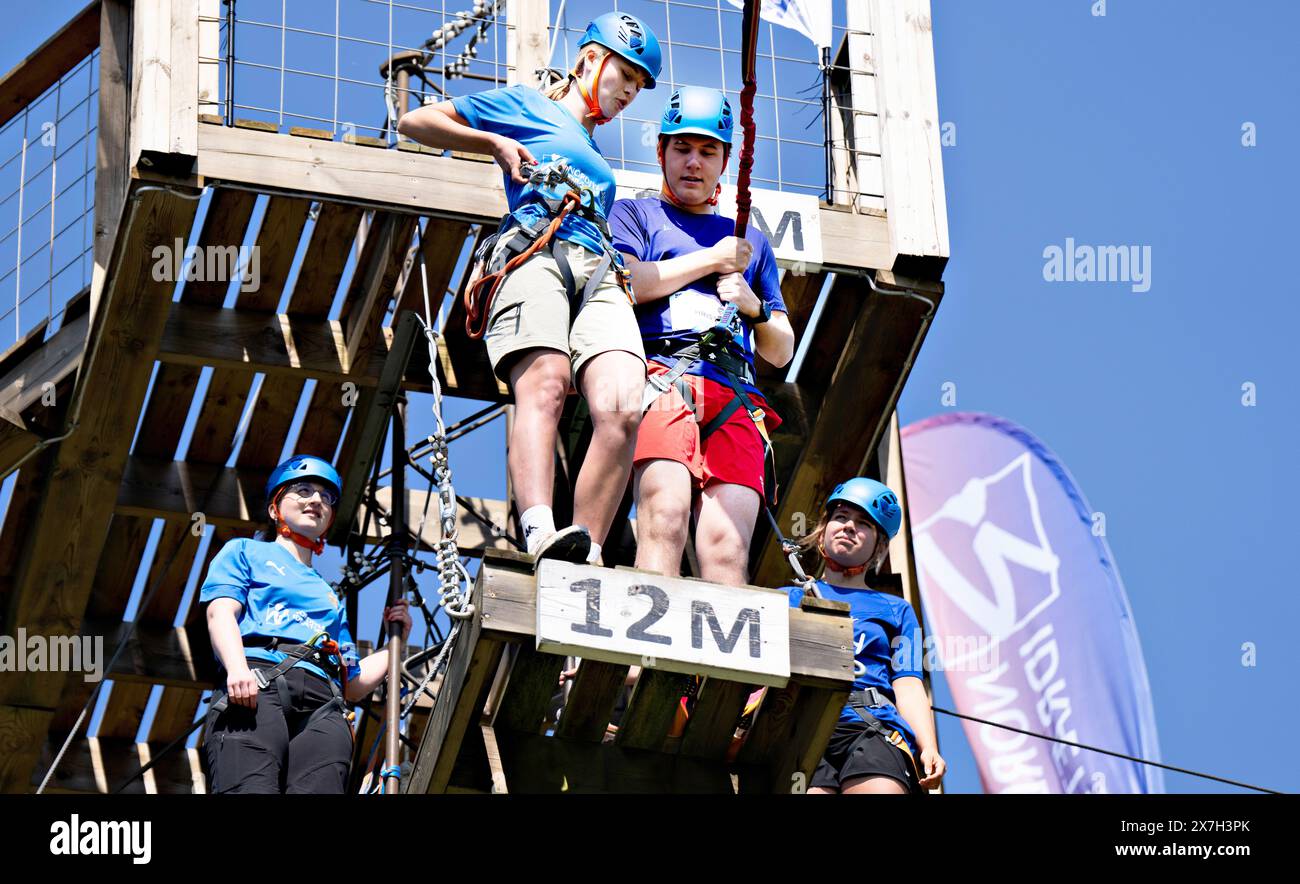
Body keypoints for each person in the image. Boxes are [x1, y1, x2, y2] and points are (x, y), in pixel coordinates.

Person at [396, 12, 663, 567]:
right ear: (591, 60)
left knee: (622, 405)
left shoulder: (590, 144)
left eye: (639, 88)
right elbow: (415, 121)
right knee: (545, 384)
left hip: (599, 268)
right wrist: (492, 140)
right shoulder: (527, 106)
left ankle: (581, 551)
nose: (630, 95)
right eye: (626, 77)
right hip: (538, 250)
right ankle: (541, 532)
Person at [609, 85, 795, 586]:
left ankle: (718, 668)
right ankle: (644, 665)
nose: (694, 163)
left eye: (707, 151)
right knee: (664, 519)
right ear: (662, 153)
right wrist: (713, 260)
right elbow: (629, 284)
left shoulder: (751, 242)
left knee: (727, 548)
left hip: (734, 393)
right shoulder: (636, 215)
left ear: (724, 161)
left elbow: (779, 351)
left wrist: (752, 306)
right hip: (663, 378)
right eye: (682, 149)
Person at [200, 454, 412, 794]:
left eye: (325, 497)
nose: (316, 500)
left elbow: (353, 684)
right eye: (303, 490)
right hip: (258, 682)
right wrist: (236, 668)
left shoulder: (329, 597)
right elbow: (221, 612)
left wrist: (393, 646)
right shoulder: (244, 552)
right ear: (274, 509)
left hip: (324, 700)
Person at [787, 478, 946, 794]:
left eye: (863, 525)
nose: (848, 527)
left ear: (880, 546)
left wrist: (928, 745)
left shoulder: (897, 610)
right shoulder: (785, 598)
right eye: (841, 517)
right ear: (824, 528)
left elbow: (908, 681)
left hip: (870, 726)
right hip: (800, 727)